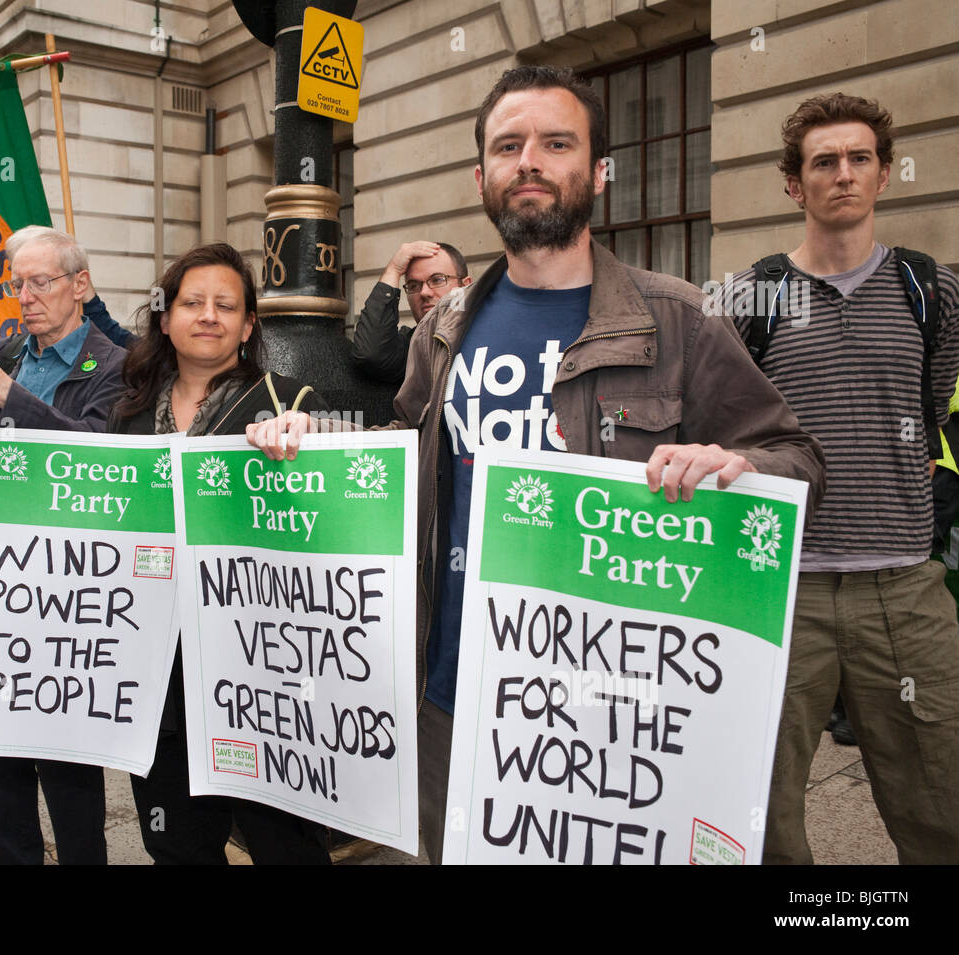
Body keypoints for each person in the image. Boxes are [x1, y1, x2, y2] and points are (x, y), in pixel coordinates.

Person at [248, 65, 826, 864]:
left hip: (617, 712)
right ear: (480, 176)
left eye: (557, 144)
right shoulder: (442, 329)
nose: (530, 161)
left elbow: (797, 459)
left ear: (597, 173)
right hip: (454, 698)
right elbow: (405, 465)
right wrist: (308, 452)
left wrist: (733, 463)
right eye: (509, 145)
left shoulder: (681, 319)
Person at [0, 242, 334, 864]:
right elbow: (77, 500)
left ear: (248, 324)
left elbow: (342, 517)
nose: (208, 316)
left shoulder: (291, 401)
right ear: (164, 317)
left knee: (284, 846)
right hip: (151, 677)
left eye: (226, 305)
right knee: (175, 844)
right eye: (192, 302)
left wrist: (311, 441)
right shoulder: (128, 407)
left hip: (257, 682)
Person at [720, 93, 959, 864]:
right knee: (758, 809)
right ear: (796, 184)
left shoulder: (934, 291)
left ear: (885, 174)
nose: (843, 174)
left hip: (905, 588)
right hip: (779, 588)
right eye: (824, 161)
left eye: (860, 159)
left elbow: (936, 410)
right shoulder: (748, 297)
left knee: (941, 800)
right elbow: (725, 424)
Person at [0, 224, 125, 865]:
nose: (26, 296)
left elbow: (96, 458)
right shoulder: (8, 352)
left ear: (80, 284)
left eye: (41, 281)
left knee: (71, 787)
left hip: (73, 605)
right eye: (18, 284)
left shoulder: (117, 366)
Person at [350, 242, 473, 385]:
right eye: (414, 285)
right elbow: (371, 353)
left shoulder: (490, 336)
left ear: (465, 286)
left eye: (437, 279)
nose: (424, 292)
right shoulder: (412, 351)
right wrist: (393, 270)